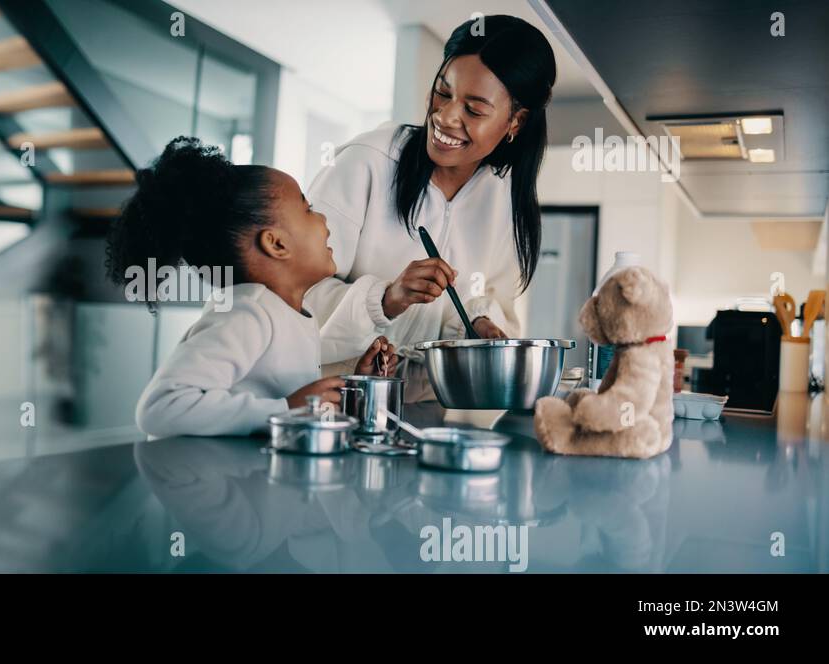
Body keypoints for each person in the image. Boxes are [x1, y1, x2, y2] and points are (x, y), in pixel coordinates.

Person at [305, 15, 556, 401]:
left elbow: (492, 299)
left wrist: (479, 322)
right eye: (443, 92)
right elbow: (295, 290)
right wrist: (385, 298)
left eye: (473, 110)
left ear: (515, 122)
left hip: (426, 411)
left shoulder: (503, 199)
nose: (445, 116)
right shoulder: (365, 162)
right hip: (332, 402)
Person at [107, 137, 393, 438]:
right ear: (276, 243)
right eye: (307, 209)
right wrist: (287, 410)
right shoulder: (248, 312)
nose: (322, 217)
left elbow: (284, 392)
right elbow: (160, 408)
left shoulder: (291, 314)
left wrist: (355, 384)